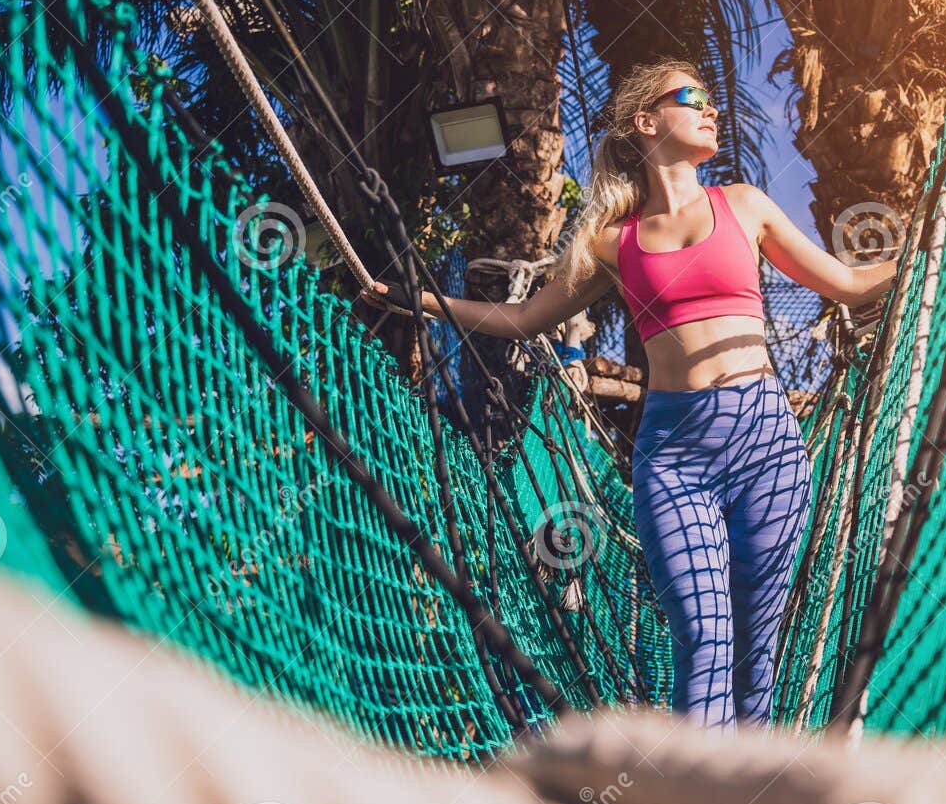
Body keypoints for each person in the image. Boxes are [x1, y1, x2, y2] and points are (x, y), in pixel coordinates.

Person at [366, 59, 899, 731]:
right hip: (675, 460)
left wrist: (933, 248)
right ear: (647, 121)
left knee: (755, 656)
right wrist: (424, 304)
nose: (711, 108)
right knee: (702, 640)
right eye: (692, 97)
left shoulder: (744, 206)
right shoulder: (611, 243)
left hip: (768, 443)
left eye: (710, 99)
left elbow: (847, 286)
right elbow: (526, 320)